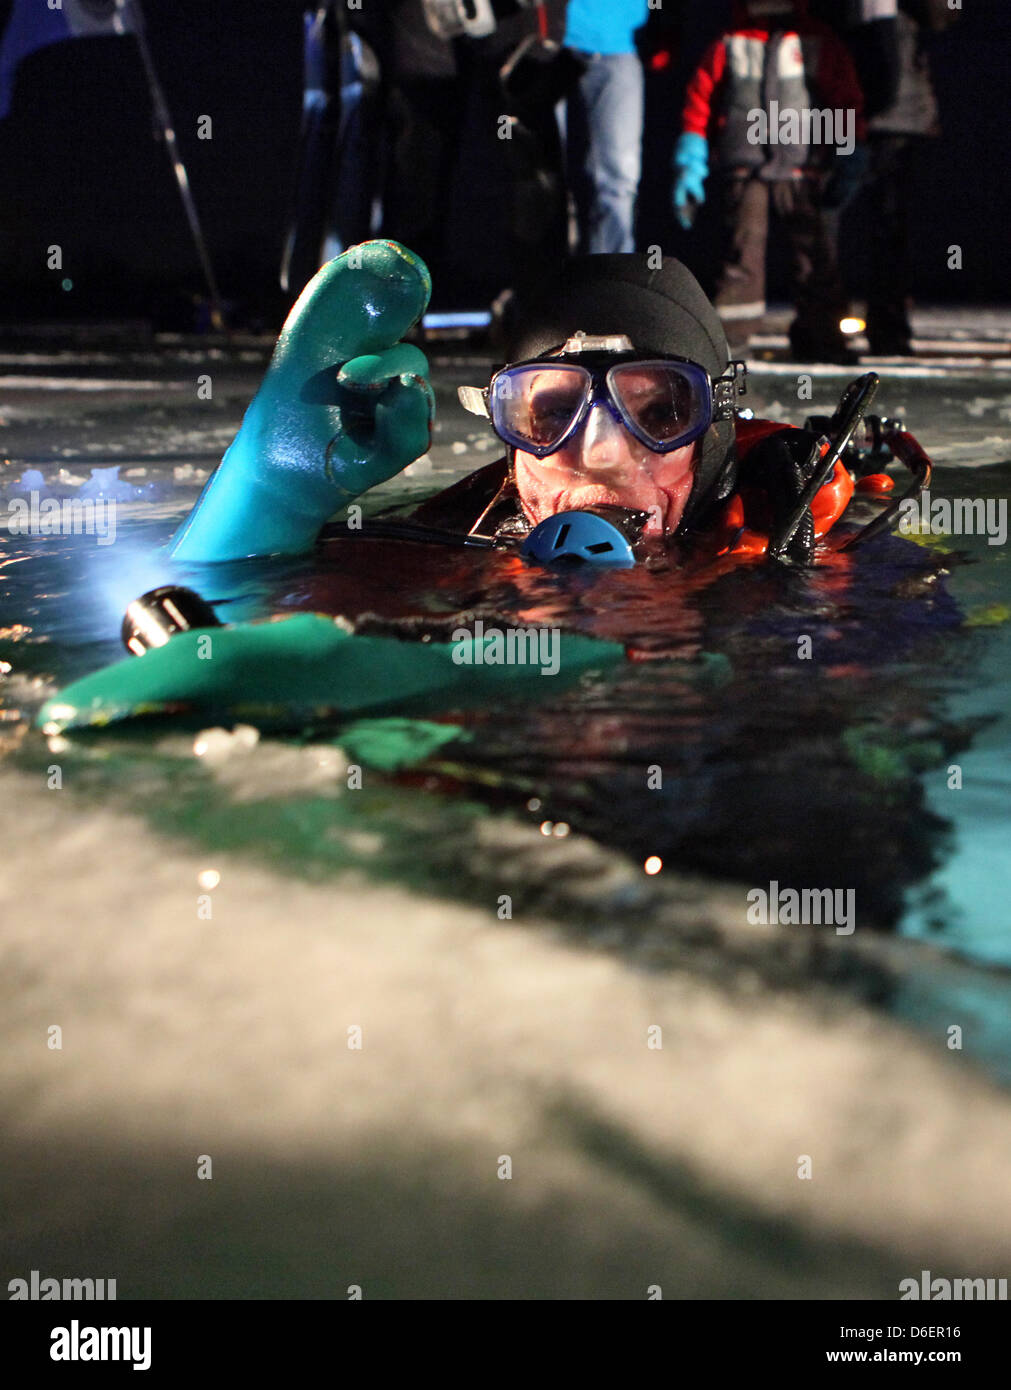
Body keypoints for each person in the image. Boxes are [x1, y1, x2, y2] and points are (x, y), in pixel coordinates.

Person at [169, 240, 856, 570]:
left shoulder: (797, 558)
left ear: (717, 427)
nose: (599, 453)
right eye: (552, 413)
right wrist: (271, 499)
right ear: (506, 428)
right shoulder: (453, 546)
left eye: (659, 413)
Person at [672, 0, 866, 362]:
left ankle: (823, 337)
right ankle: (730, 343)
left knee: (814, 257)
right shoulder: (730, 42)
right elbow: (700, 101)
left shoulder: (817, 41)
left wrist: (848, 151)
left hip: (803, 168)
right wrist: (691, 161)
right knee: (742, 258)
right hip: (746, 169)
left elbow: (842, 98)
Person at [562, 0, 650, 254]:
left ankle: (613, 274)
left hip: (618, 47)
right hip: (542, 45)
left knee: (618, 180)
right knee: (538, 175)